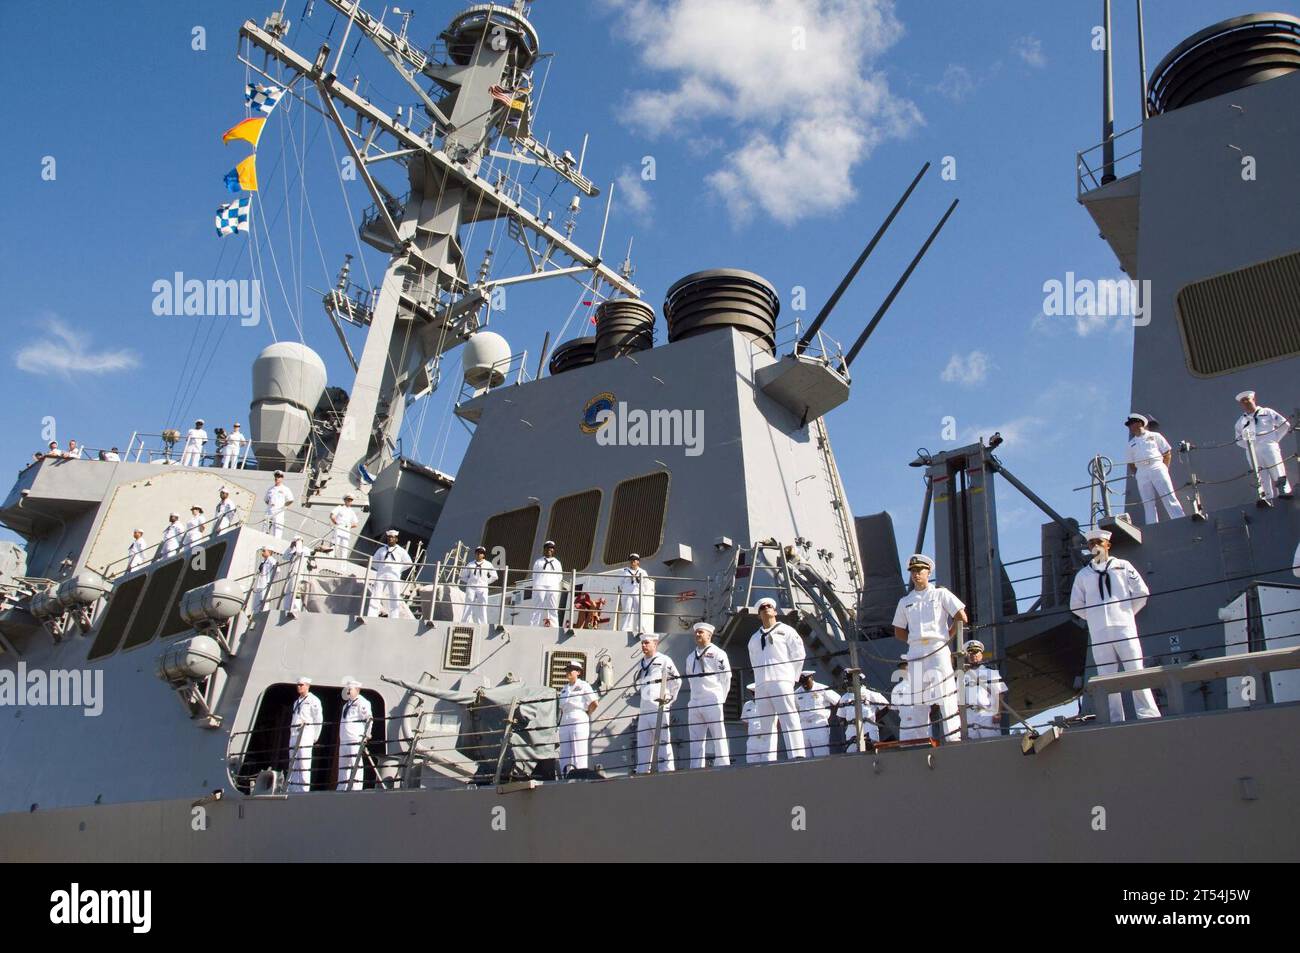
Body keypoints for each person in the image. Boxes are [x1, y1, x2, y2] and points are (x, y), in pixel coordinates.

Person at [1069, 528, 1161, 721]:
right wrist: (1095, 617)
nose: (1094, 546)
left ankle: (1147, 714)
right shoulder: (1084, 575)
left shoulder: (1123, 566)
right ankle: (1115, 717)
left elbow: (1141, 592)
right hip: (1099, 631)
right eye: (1091, 543)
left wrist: (1127, 613)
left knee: (1135, 669)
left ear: (1107, 545)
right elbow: (1076, 605)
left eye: (1098, 542)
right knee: (1106, 676)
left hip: (1124, 627)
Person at [892, 554, 967, 743]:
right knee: (917, 697)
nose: (916, 574)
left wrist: (945, 639)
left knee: (946, 693)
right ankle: (920, 740)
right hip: (915, 650)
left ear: (928, 572)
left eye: (919, 570)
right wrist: (914, 640)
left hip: (937, 648)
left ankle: (953, 737)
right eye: (913, 571)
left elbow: (961, 617)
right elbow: (898, 630)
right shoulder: (905, 601)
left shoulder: (941, 594)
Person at [747, 596, 807, 761]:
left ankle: (797, 754)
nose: (766, 608)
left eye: (769, 606)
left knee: (789, 717)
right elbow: (753, 661)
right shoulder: (753, 639)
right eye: (762, 608)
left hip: (781, 680)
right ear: (759, 615)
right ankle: (768, 757)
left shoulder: (786, 631)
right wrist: (759, 679)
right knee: (766, 724)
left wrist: (790, 677)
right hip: (761, 683)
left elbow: (799, 654)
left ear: (774, 611)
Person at [685, 621, 732, 769]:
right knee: (695, 738)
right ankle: (696, 766)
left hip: (712, 697)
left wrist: (720, 698)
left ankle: (723, 763)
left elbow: (726, 677)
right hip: (695, 700)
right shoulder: (690, 657)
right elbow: (690, 678)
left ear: (709, 635)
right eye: (696, 632)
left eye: (701, 632)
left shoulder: (718, 653)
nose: (697, 634)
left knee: (718, 733)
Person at [633, 632, 680, 773]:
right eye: (642, 643)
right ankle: (642, 769)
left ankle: (666, 768)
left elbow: (676, 681)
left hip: (658, 705)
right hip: (644, 707)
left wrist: (669, 699)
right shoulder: (641, 663)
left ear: (655, 644)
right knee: (643, 741)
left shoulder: (664, 660)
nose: (643, 645)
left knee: (663, 740)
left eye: (647, 642)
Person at [1125, 413, 1184, 523]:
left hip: (1156, 466)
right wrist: (1138, 474)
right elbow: (1131, 463)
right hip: (1142, 471)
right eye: (1129, 425)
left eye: (1132, 424)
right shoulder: (1130, 444)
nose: (1130, 427)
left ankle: (1179, 519)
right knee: (1148, 502)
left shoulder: (1155, 436)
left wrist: (1164, 468)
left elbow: (1167, 452)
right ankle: (1152, 524)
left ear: (1139, 423)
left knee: (1168, 495)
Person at [1234, 391, 1293, 500]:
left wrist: (1274, 439)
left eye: (1247, 399)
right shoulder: (1240, 421)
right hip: (1252, 451)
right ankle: (1266, 497)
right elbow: (1238, 440)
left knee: (1277, 469)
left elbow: (1285, 425)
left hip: (1269, 447)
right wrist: (1250, 446)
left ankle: (1284, 492)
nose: (1246, 402)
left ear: (1254, 400)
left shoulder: (1267, 412)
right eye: (1243, 401)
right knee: (1260, 476)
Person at [557, 660, 597, 774]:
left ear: (578, 672)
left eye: (571, 670)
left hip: (578, 718)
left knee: (579, 753)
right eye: (567, 670)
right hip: (565, 720)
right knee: (564, 753)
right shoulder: (564, 688)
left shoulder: (584, 685)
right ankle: (564, 776)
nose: (568, 672)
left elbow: (594, 702)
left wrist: (586, 714)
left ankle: (580, 777)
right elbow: (561, 708)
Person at [962, 639, 1008, 739]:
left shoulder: (991, 672)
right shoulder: (962, 677)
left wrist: (998, 712)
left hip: (987, 712)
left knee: (991, 744)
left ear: (981, 655)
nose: (973, 655)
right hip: (969, 715)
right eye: (970, 653)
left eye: (975, 652)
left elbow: (1000, 694)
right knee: (970, 747)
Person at [287, 676, 323, 793]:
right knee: (293, 762)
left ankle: (303, 789)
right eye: (298, 685)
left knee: (303, 763)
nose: (299, 687)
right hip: (294, 734)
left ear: (307, 686)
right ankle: (292, 787)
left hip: (306, 734)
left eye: (301, 685)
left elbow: (318, 719)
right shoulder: (297, 701)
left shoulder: (313, 700)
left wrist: (315, 736)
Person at [336, 678, 373, 790]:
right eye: (348, 689)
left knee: (355, 764)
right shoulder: (346, 705)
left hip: (355, 738)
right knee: (343, 765)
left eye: (350, 689)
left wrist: (367, 734)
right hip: (344, 738)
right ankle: (342, 786)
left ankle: (356, 787)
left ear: (357, 690)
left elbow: (369, 719)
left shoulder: (362, 702)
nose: (348, 692)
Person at [835, 676, 889, 751]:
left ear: (858, 680)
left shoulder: (870, 693)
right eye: (846, 680)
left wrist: (872, 720)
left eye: (849, 680)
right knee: (852, 756)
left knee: (871, 755)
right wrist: (848, 724)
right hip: (852, 732)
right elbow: (841, 716)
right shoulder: (844, 698)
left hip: (869, 729)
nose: (847, 682)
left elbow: (886, 707)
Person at [367, 529, 413, 618]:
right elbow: (374, 562)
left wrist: (399, 569)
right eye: (389, 537)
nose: (390, 539)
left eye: (392, 537)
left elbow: (409, 563)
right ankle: (371, 614)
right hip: (381, 575)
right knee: (376, 594)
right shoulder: (381, 550)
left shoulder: (401, 551)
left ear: (396, 539)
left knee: (394, 596)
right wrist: (381, 568)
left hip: (394, 576)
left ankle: (394, 616)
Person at [794, 670, 840, 758]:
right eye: (802, 683)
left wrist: (832, 717)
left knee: (821, 755)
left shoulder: (822, 688)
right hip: (803, 726)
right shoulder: (797, 693)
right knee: (805, 757)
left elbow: (837, 701)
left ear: (811, 678)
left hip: (818, 724)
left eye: (806, 681)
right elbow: (795, 709)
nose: (804, 685)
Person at [891, 657, 928, 741]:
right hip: (905, 727)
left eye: (906, 666)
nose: (904, 669)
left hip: (922, 725)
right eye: (902, 667)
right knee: (906, 751)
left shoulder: (923, 684)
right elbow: (895, 707)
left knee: (925, 749)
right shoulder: (897, 688)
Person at [458, 545, 498, 623]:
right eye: (477, 552)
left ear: (483, 555)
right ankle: (465, 622)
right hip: (471, 587)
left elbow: (494, 576)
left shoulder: (488, 564)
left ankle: (483, 623)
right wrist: (469, 581)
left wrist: (486, 582)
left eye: (481, 553)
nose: (479, 554)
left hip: (482, 587)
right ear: (475, 553)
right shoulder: (470, 564)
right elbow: (462, 576)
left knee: (483, 605)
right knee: (468, 605)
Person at [530, 540, 563, 627]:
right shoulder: (538, 562)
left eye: (551, 548)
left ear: (553, 550)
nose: (549, 549)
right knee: (537, 606)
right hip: (540, 584)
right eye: (547, 548)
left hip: (552, 585)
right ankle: (533, 626)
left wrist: (554, 583)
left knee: (553, 607)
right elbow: (534, 575)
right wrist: (538, 583)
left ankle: (555, 626)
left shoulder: (557, 562)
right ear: (544, 549)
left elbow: (560, 576)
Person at [616, 553, 647, 632]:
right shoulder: (624, 571)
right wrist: (624, 590)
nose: (632, 562)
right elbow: (620, 583)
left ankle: (640, 628)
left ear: (638, 562)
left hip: (637, 593)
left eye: (634, 560)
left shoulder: (642, 572)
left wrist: (642, 592)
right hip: (627, 594)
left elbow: (646, 584)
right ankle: (625, 629)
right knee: (627, 611)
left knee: (639, 611)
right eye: (631, 560)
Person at [264, 470, 295, 538]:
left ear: (282, 478)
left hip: (279, 512)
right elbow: (266, 500)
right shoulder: (270, 489)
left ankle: (276, 545)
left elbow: (291, 500)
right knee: (264, 530)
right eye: (276, 476)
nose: (277, 478)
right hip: (269, 511)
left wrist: (284, 507)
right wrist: (271, 506)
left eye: (279, 476)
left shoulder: (285, 489)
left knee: (278, 531)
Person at [280, 537, 306, 615]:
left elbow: (299, 552)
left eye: (297, 542)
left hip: (298, 575)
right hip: (291, 575)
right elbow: (284, 557)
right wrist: (290, 547)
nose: (296, 543)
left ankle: (296, 610)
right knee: (288, 593)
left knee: (296, 593)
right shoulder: (294, 552)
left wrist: (299, 542)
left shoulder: (304, 550)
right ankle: (287, 609)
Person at [741, 683, 765, 764]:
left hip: (765, 738)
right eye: (753, 693)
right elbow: (745, 722)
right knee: (751, 765)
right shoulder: (747, 705)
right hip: (752, 739)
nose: (754, 695)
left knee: (767, 765)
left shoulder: (766, 703)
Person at [251, 546, 277, 613]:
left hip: (266, 584)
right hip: (260, 584)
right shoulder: (263, 561)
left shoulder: (271, 560)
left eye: (264, 551)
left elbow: (277, 569)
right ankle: (255, 615)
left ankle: (263, 614)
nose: (262, 552)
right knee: (257, 602)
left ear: (269, 552)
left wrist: (270, 580)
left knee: (264, 601)